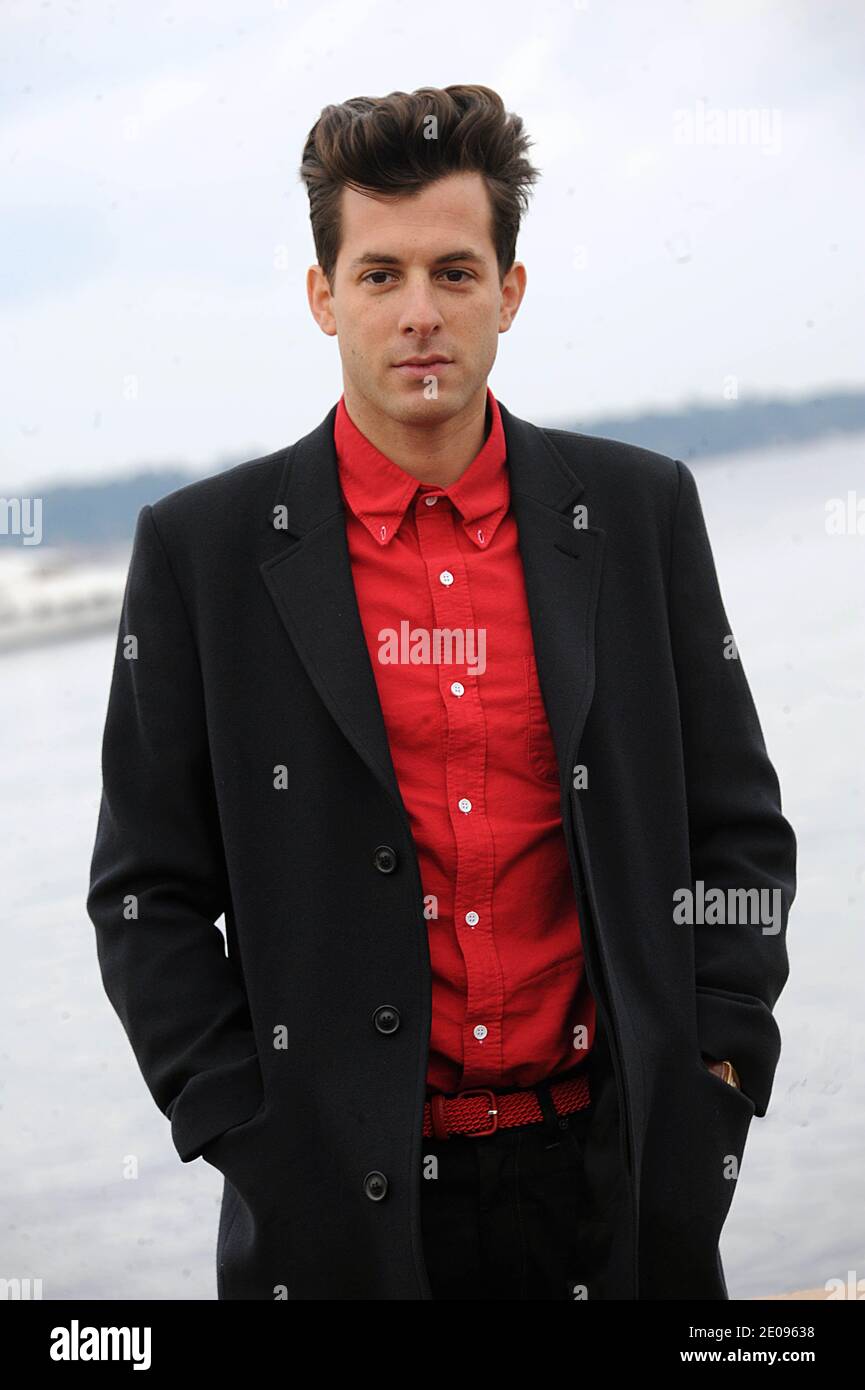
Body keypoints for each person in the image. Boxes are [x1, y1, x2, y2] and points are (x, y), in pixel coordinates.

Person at [87, 84, 796, 1300]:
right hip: (338, 1217)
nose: (420, 312)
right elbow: (145, 894)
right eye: (380, 275)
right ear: (323, 297)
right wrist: (244, 1127)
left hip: (618, 1188)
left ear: (508, 292)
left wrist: (718, 1065)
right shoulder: (201, 555)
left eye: (454, 272)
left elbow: (737, 831)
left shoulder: (636, 514)